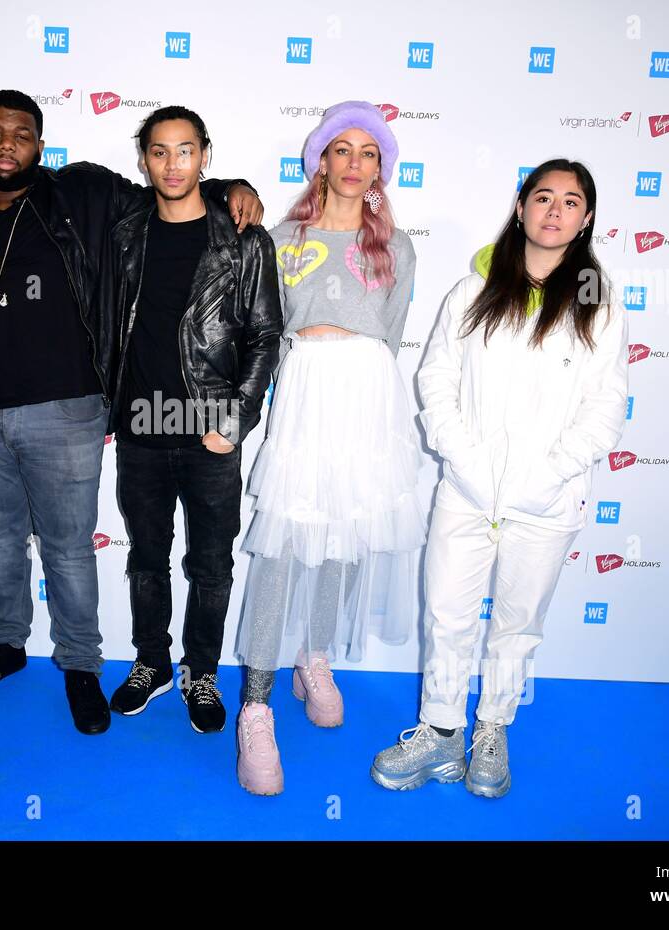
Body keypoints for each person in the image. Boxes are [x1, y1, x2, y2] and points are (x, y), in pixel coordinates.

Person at [0, 90, 263, 735]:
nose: (8, 145)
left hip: (68, 409)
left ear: (40, 145)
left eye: (22, 134)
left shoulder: (82, 196)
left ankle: (80, 667)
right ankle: (6, 645)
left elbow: (173, 191)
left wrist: (232, 183)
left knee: (69, 550)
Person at [371, 158, 628, 799]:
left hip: (546, 500)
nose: (553, 210)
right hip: (467, 491)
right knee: (448, 615)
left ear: (586, 218)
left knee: (517, 624)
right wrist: (466, 462)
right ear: (521, 208)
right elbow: (435, 380)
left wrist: (547, 475)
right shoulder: (473, 291)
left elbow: (605, 410)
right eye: (542, 197)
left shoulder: (598, 304)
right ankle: (442, 730)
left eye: (570, 201)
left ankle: (492, 728)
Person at [231, 101, 425, 795]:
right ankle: (254, 706)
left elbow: (393, 335)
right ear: (320, 160)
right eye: (340, 149)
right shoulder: (280, 238)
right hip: (307, 394)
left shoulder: (397, 248)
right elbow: (263, 328)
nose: (353, 163)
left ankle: (315, 657)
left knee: (345, 537)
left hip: (368, 397)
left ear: (380, 168)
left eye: (367, 152)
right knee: (285, 545)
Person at [105, 106, 282, 733]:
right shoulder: (127, 234)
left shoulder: (243, 239)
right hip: (141, 428)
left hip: (211, 430)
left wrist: (235, 417)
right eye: (160, 151)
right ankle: (151, 663)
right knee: (147, 559)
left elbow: (266, 336)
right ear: (144, 158)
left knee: (211, 566)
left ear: (205, 154)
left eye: (185, 150)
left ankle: (200, 672)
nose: (173, 164)